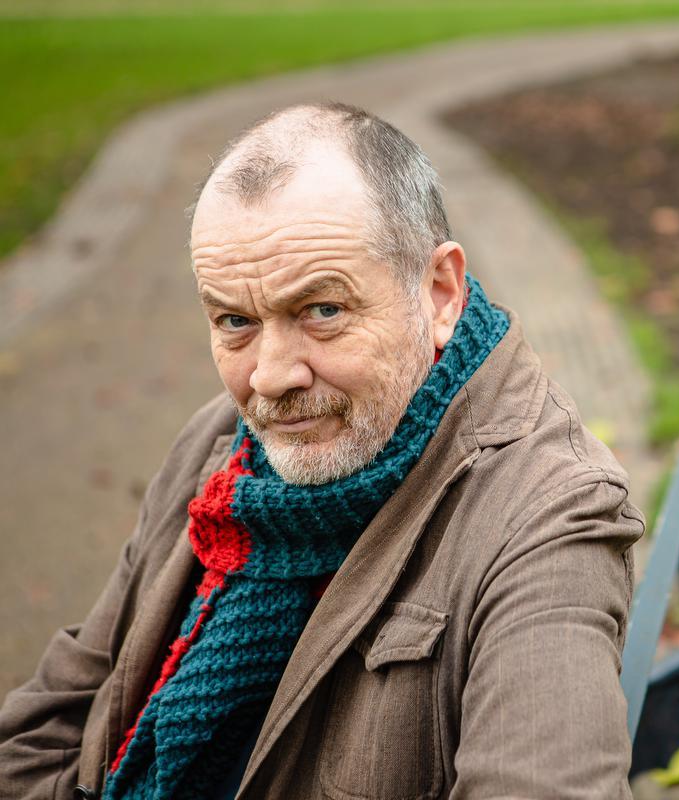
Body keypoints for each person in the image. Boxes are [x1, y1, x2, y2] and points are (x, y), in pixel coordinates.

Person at [0, 102, 644, 799]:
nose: (272, 377)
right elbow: (55, 723)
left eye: (322, 310)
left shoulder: (546, 514)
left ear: (439, 293)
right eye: (235, 321)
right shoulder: (219, 450)